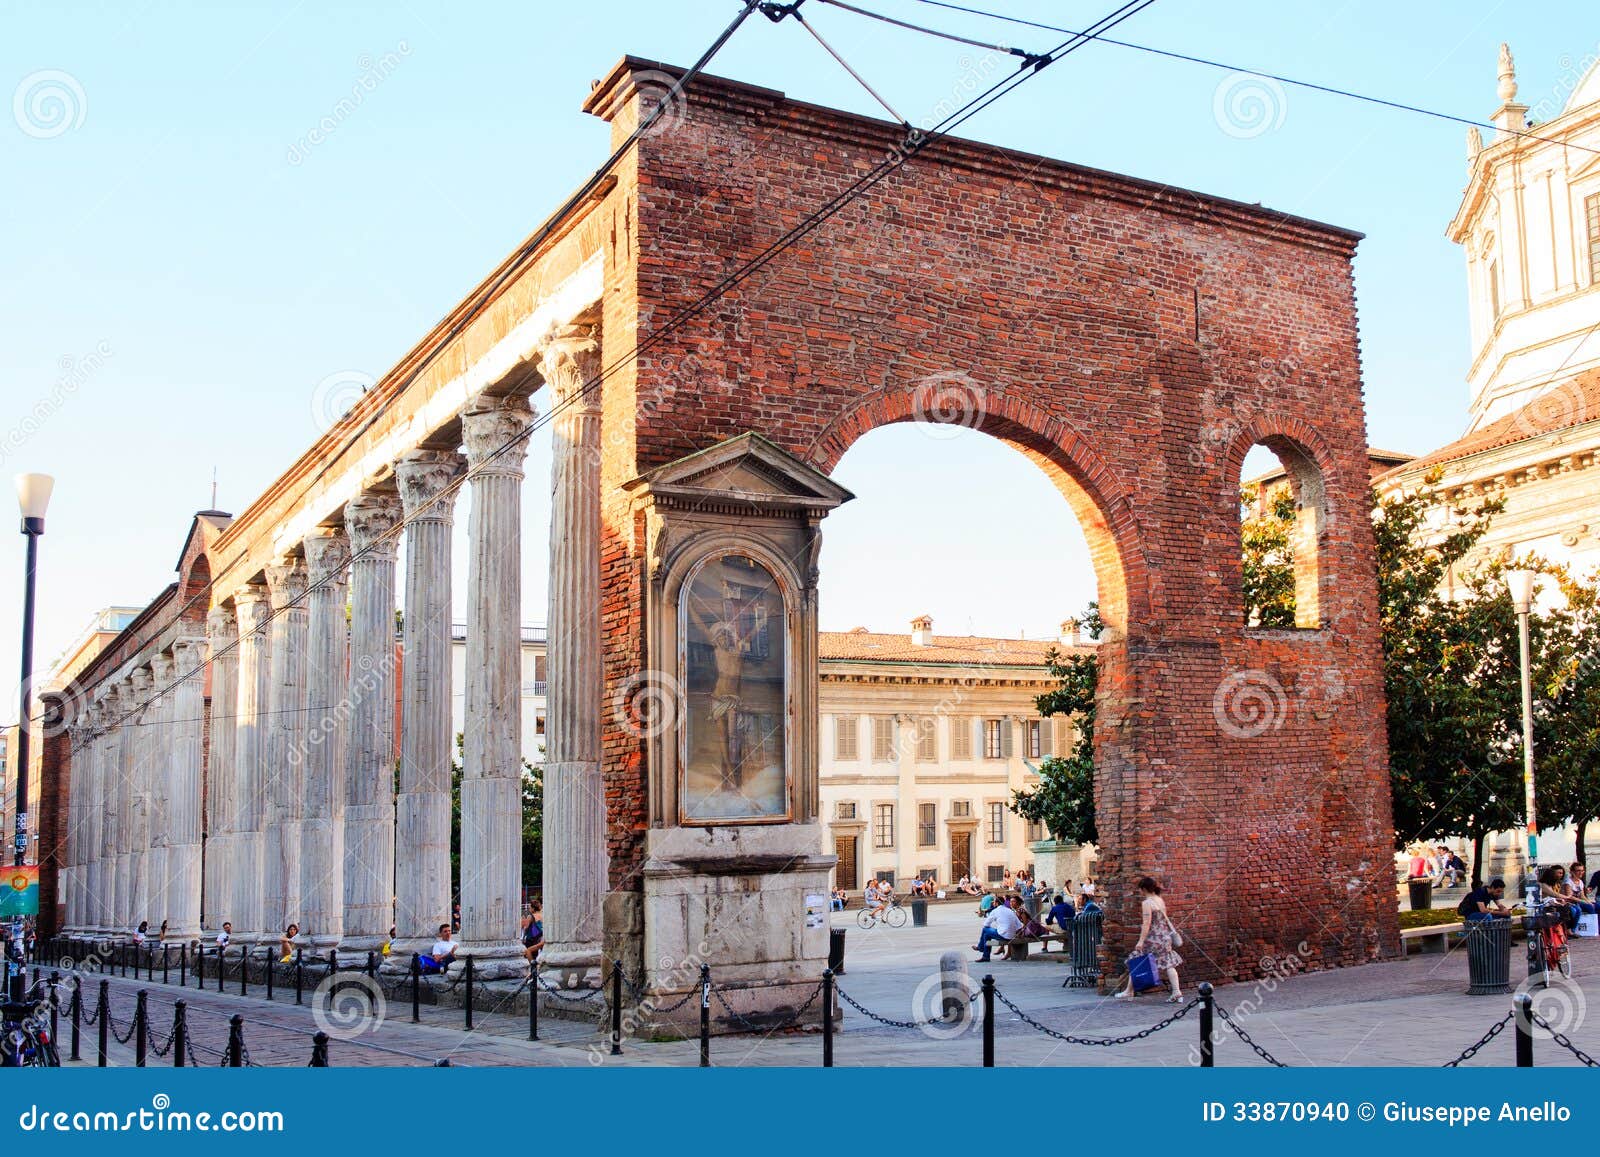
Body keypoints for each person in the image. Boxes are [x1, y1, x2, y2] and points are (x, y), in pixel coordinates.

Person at [1115, 877, 1183, 1003]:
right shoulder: (1160, 900)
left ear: (1144, 889)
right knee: (1169, 964)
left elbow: (1146, 924)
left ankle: (1129, 990)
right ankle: (1177, 991)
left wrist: (1141, 941)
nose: (1140, 891)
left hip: (1152, 938)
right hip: (1165, 937)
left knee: (1136, 960)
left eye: (1140, 889)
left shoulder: (1147, 903)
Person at [973, 895, 1023, 962]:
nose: (993, 903)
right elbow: (1019, 925)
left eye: (993, 902)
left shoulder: (995, 911)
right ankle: (985, 956)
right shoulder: (1010, 910)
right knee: (986, 935)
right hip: (1012, 935)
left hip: (1003, 935)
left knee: (985, 929)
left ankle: (980, 947)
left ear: (996, 903)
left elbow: (985, 924)